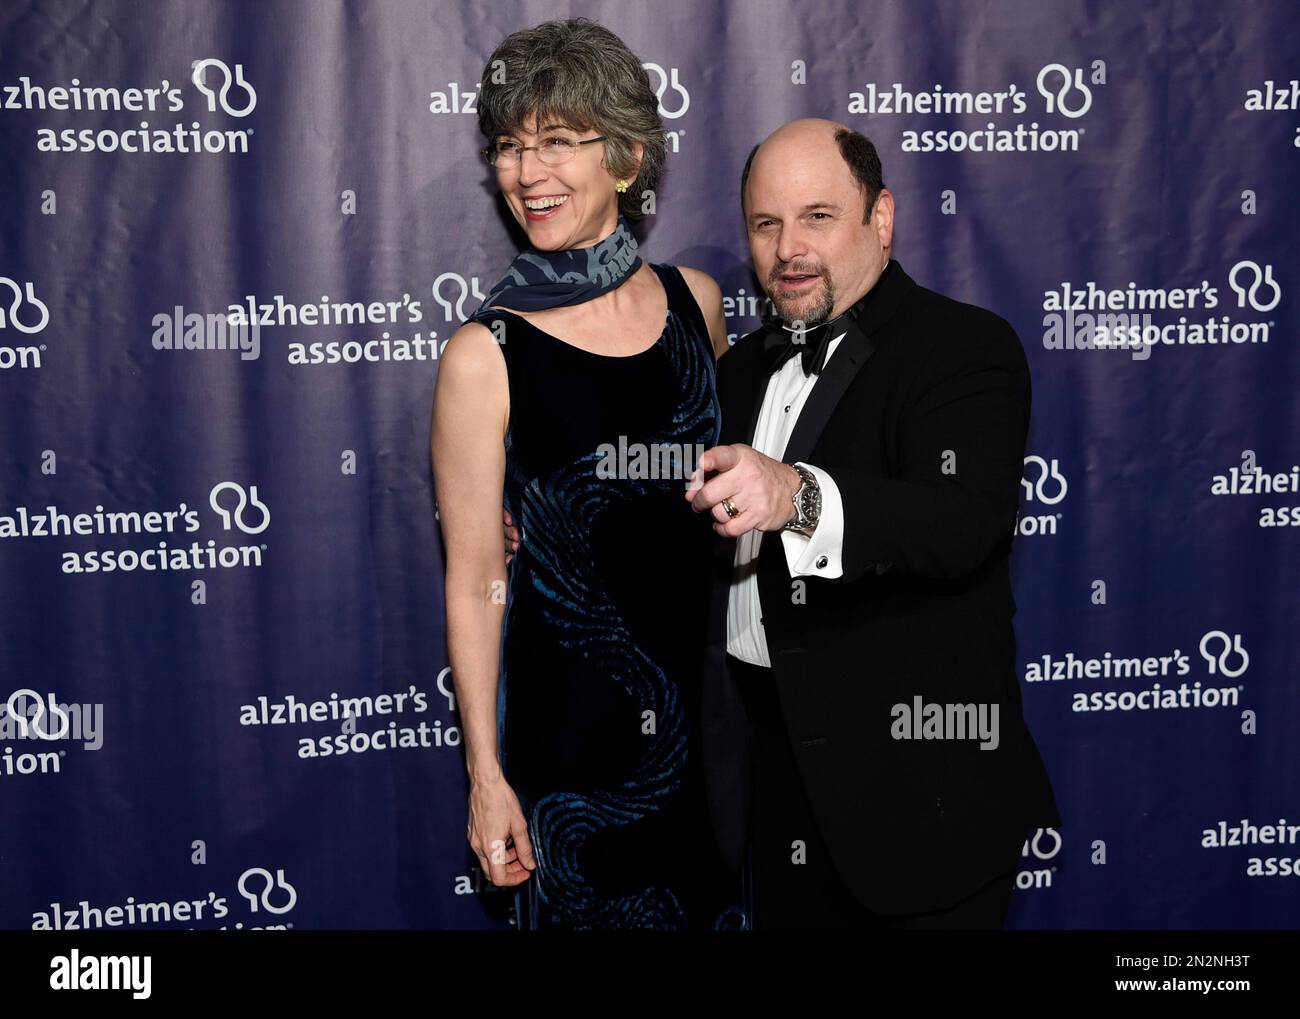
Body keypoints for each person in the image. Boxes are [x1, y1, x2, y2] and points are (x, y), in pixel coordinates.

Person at [687, 118, 1062, 929]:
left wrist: (797, 494)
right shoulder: (737, 370)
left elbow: (959, 520)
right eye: (766, 223)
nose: (790, 247)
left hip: (918, 807)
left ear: (880, 218)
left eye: (818, 216)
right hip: (768, 789)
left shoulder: (963, 347)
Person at [431, 18, 738, 930]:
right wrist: (487, 778)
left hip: (715, 733)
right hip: (571, 751)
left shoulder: (700, 307)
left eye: (558, 142)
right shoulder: (484, 353)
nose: (528, 174)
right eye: (510, 148)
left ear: (629, 159)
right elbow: (477, 577)